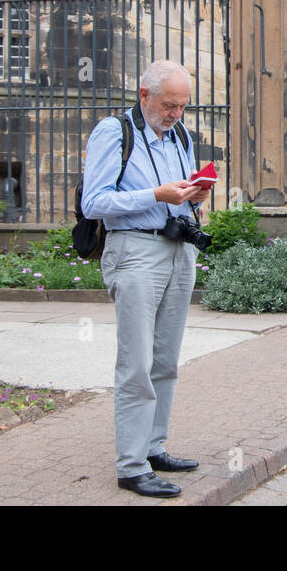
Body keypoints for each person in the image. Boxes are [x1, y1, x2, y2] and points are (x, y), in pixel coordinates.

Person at [81, 60, 209, 498]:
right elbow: (94, 202)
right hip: (134, 251)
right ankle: (131, 466)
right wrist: (156, 195)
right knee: (135, 363)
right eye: (168, 104)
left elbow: (181, 192)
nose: (175, 113)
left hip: (178, 248)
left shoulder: (181, 136)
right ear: (143, 95)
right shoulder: (114, 132)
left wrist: (195, 194)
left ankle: (154, 446)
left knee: (166, 360)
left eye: (182, 106)